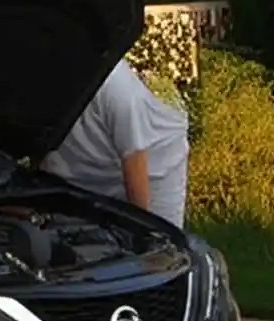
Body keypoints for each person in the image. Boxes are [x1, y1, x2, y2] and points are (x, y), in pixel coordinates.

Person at [40, 59, 190, 228]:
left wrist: (141, 234)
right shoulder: (40, 78)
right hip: (93, 169)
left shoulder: (117, 87)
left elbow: (134, 163)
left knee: (160, 238)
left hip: (156, 165)